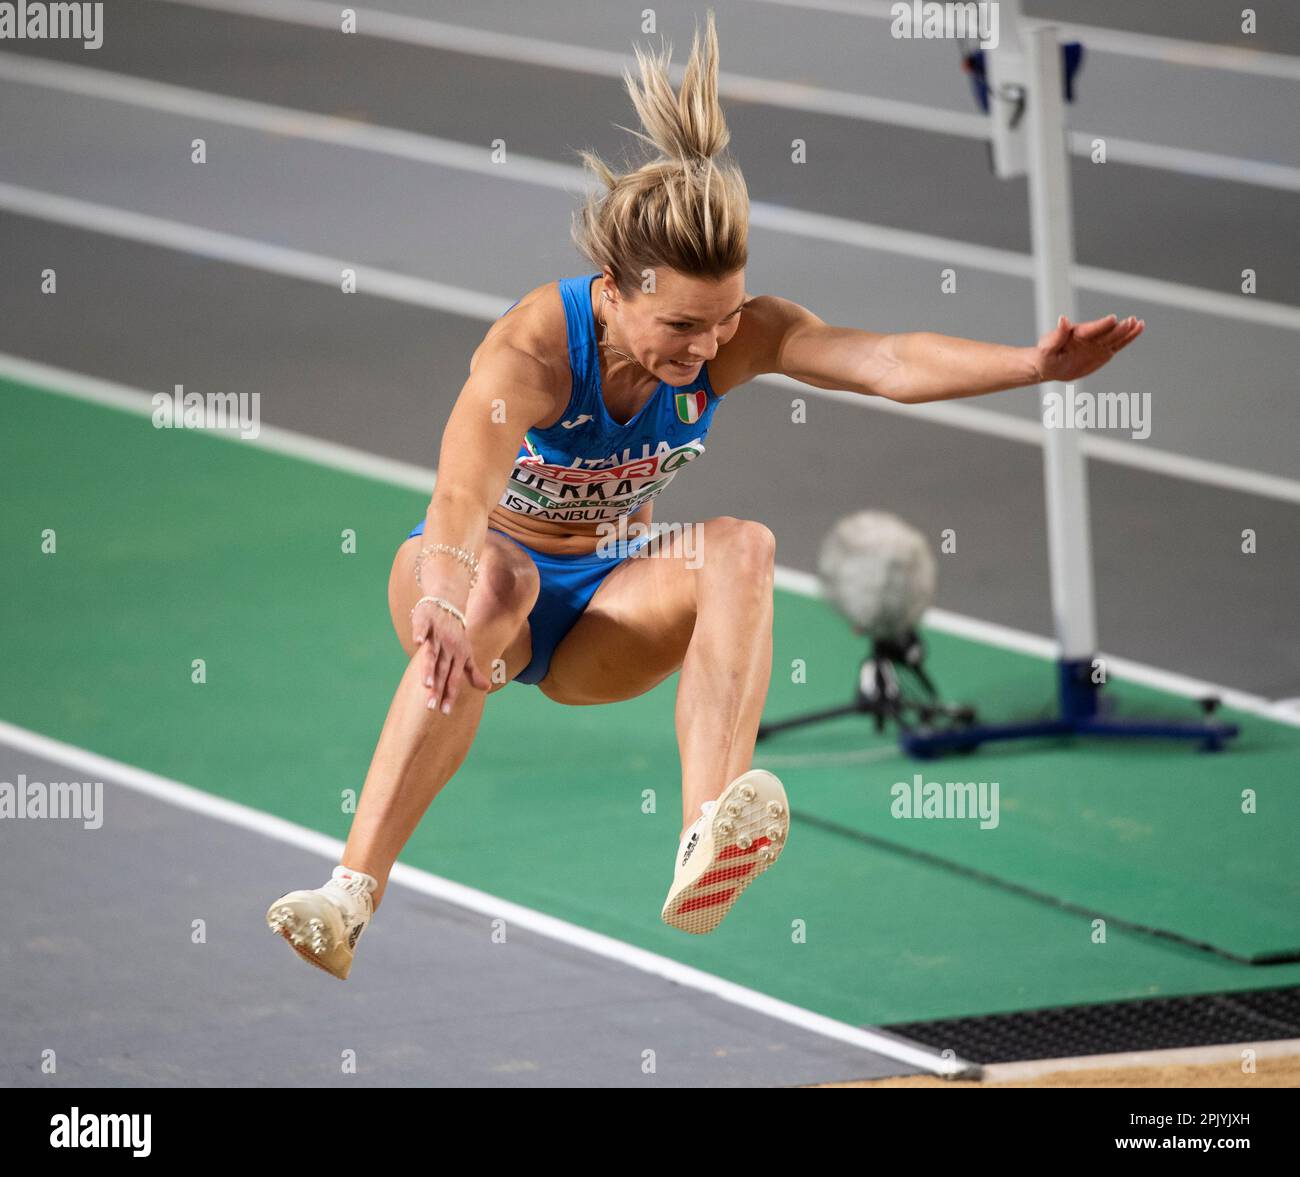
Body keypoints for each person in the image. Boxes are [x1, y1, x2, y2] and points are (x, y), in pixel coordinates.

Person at [266, 12, 1143, 979]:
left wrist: (1031, 363)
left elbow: (884, 359)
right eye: (681, 324)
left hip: (607, 609)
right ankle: (348, 896)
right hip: (476, 582)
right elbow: (460, 491)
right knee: (497, 587)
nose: (706, 348)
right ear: (614, 287)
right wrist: (439, 591)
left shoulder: (735, 336)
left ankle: (703, 837)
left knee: (741, 544)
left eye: (724, 322)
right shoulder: (534, 352)